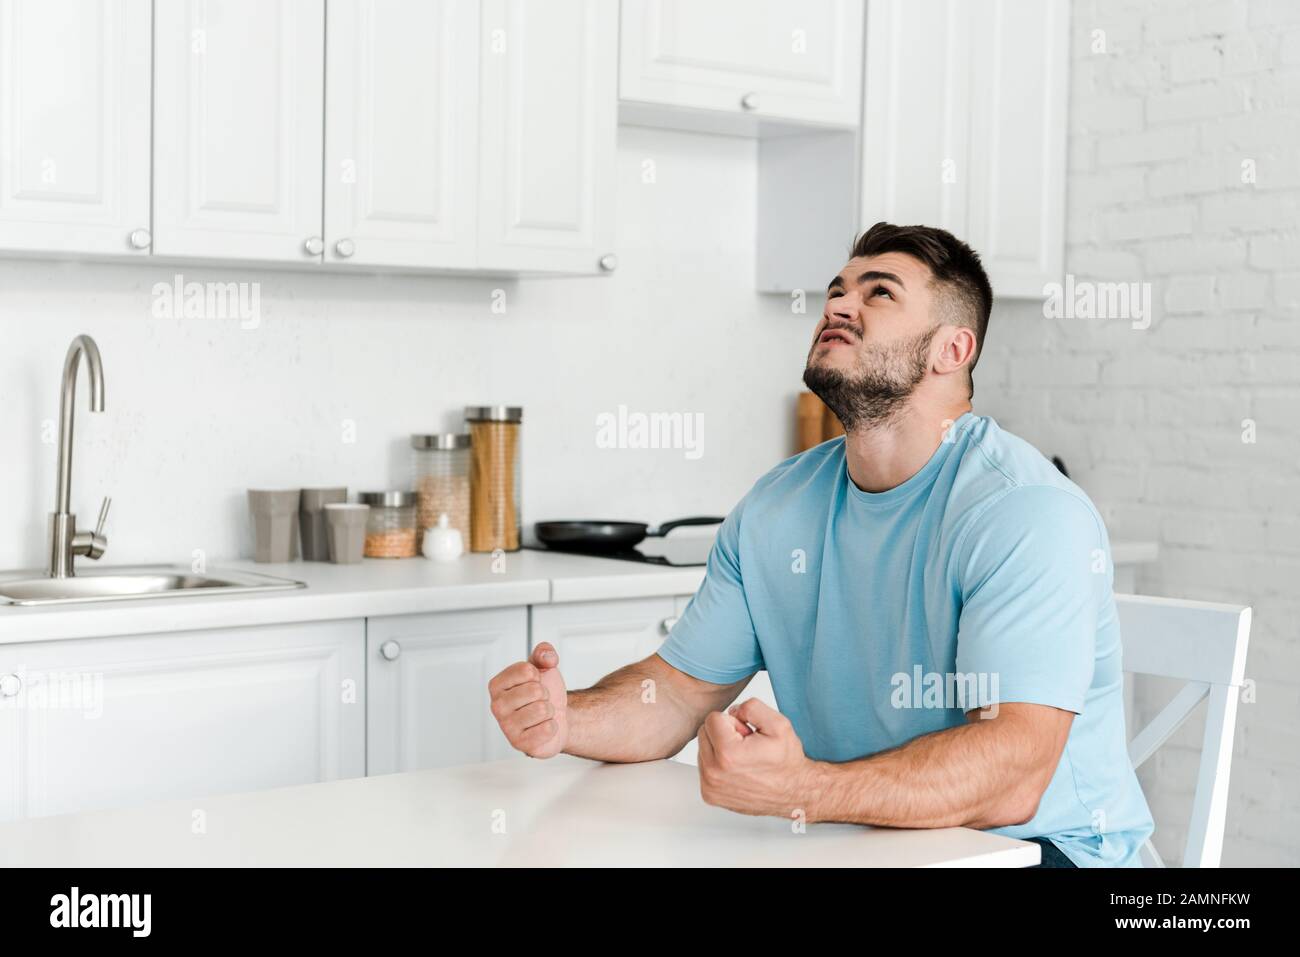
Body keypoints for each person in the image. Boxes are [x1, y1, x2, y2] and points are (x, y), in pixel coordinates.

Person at [488, 222, 1154, 868]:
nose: (838, 304)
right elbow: (677, 695)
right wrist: (565, 717)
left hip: (1041, 851)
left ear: (952, 350)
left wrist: (803, 789)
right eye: (837, 290)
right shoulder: (778, 506)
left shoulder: (1023, 511)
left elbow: (1012, 779)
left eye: (879, 292)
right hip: (865, 840)